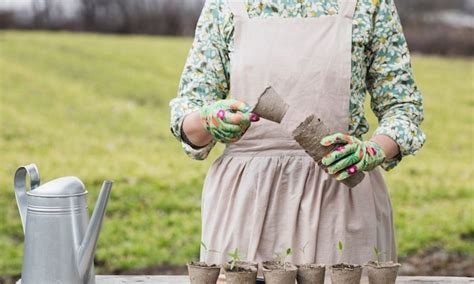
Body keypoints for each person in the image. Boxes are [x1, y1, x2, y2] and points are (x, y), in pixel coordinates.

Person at [170, 0, 425, 268]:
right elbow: (188, 120)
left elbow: (402, 107)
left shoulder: (369, 4)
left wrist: (375, 150)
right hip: (246, 204)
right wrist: (208, 120)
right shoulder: (225, 5)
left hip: (341, 200)